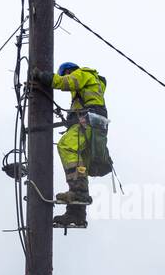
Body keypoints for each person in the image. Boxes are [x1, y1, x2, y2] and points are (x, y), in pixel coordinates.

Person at [30, 61, 108, 229]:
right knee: (80, 164)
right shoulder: (88, 90)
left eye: (66, 74)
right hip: (96, 127)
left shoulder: (82, 73)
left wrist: (42, 76)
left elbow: (65, 82)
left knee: (66, 146)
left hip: (89, 121)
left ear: (69, 71)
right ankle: (77, 212)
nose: (67, 77)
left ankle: (78, 191)